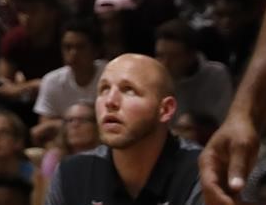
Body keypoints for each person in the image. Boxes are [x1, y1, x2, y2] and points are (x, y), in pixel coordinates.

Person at [44, 55, 200, 205]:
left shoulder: (201, 171)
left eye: (129, 90)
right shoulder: (71, 174)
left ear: (165, 109)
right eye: (104, 89)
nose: (110, 101)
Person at [32, 19, 105, 147]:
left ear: (96, 50)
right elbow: (43, 130)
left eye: (81, 47)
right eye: (67, 47)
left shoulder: (108, 75)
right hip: (66, 147)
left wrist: (63, 123)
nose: (73, 53)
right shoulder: (51, 81)